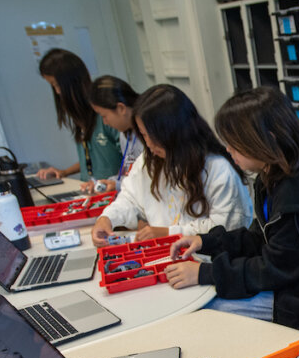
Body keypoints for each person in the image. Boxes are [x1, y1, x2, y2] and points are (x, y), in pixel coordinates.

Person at [164, 86, 299, 331]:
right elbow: (261, 238)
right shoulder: (272, 175)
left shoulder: (298, 193)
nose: (228, 150)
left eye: (235, 143)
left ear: (267, 139)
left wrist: (206, 273)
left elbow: (278, 268)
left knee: (205, 311)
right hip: (290, 282)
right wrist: (207, 242)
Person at [91, 84, 252, 245]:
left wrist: (169, 233)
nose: (148, 144)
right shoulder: (149, 160)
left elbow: (227, 229)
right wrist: (107, 218)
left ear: (173, 132)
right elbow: (130, 199)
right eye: (144, 135)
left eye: (152, 136)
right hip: (165, 254)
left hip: (208, 259)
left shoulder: (217, 169)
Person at [35, 49, 122, 192]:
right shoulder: (81, 116)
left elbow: (130, 161)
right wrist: (64, 172)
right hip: (92, 190)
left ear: (71, 83)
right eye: (53, 86)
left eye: (57, 85)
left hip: (112, 191)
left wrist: (113, 183)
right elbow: (92, 160)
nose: (57, 92)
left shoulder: (106, 115)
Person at [88, 75, 144, 192]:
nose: (105, 122)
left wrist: (118, 185)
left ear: (121, 108)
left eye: (104, 116)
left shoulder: (149, 132)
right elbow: (130, 175)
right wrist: (111, 182)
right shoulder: (125, 135)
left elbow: (149, 179)